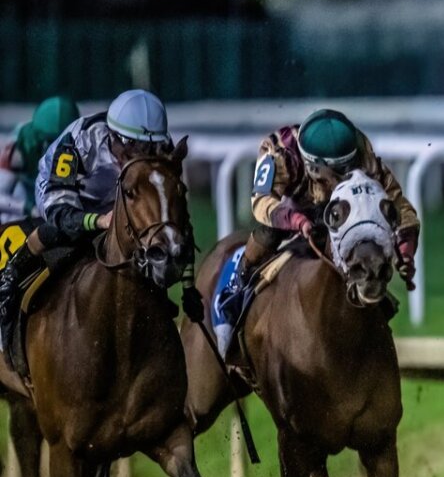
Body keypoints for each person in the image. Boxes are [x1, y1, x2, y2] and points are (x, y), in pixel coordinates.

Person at [210, 108, 419, 357]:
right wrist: (296, 220)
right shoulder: (281, 154)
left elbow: (398, 205)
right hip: (292, 205)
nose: (347, 175)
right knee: (269, 232)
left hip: (341, 210)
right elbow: (261, 202)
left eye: (349, 167)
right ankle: (237, 285)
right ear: (314, 167)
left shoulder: (361, 151)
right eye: (339, 172)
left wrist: (404, 249)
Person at [0, 89, 174, 373]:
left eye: (148, 148)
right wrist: (98, 221)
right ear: (113, 136)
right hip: (63, 191)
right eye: (132, 148)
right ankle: (14, 273)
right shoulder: (80, 142)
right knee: (65, 233)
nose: (140, 157)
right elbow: (60, 212)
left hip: (116, 198)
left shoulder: (158, 146)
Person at [0, 95, 79, 220]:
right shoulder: (18, 148)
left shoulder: (79, 145)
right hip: (22, 210)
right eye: (51, 141)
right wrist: (28, 208)